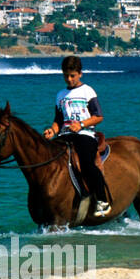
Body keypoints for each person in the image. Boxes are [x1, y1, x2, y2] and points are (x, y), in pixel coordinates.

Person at [43, 55, 110, 216]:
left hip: (85, 134)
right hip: (65, 135)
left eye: (72, 75)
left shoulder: (87, 91)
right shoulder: (60, 95)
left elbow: (98, 116)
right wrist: (52, 130)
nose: (69, 79)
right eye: (66, 75)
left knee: (87, 164)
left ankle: (103, 201)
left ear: (80, 74)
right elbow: (58, 120)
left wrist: (80, 125)